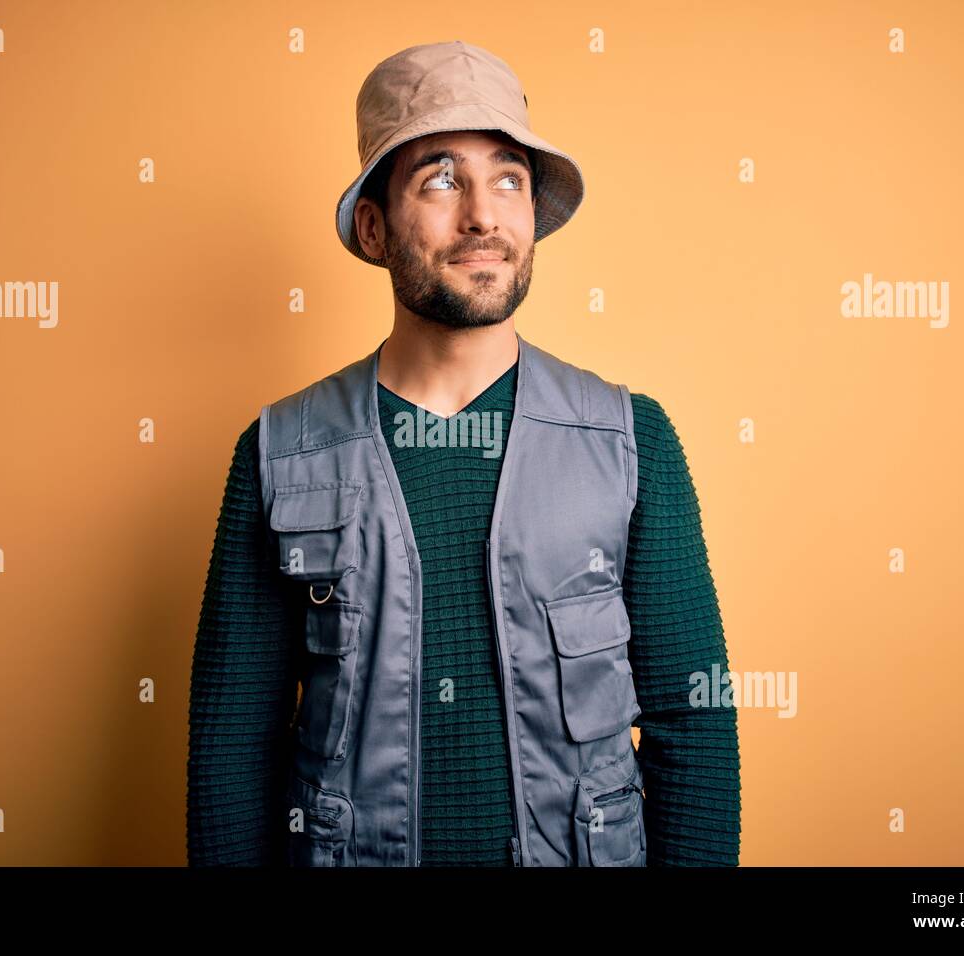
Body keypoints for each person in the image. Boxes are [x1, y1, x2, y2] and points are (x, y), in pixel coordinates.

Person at [187, 39, 740, 867]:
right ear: (373, 228)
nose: (482, 213)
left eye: (508, 177)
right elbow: (233, 744)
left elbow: (692, 721)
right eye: (440, 178)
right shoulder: (279, 452)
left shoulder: (632, 441)